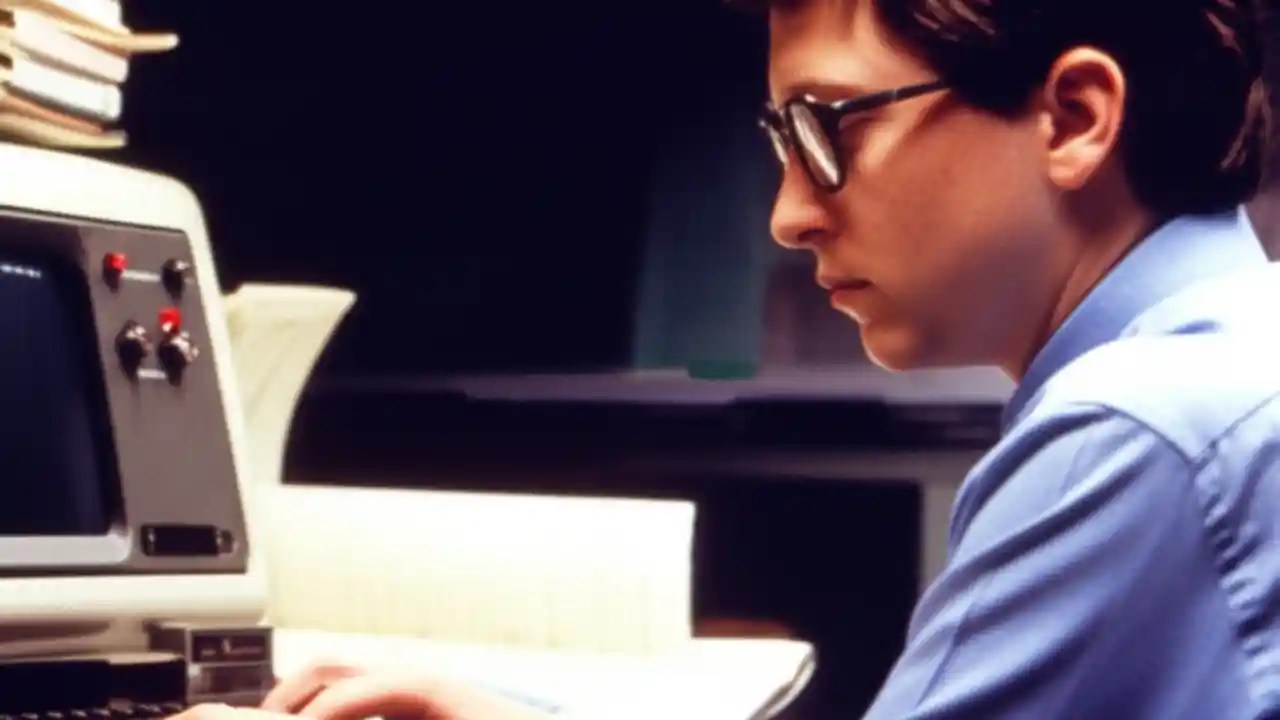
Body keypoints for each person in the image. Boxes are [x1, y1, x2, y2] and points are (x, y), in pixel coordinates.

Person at [175, 0, 1280, 717]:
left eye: (829, 126)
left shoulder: (1139, 433)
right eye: (778, 140)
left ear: (1073, 117)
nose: (787, 217)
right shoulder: (1225, 360)